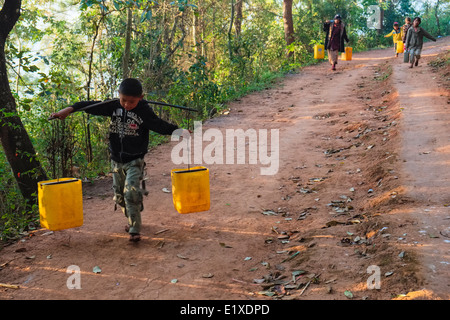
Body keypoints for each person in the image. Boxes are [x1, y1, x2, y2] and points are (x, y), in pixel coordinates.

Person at [51, 78, 180, 242]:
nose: (126, 104)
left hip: (135, 160)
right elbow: (89, 106)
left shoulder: (144, 110)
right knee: (120, 196)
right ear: (118, 95)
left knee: (131, 192)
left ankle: (134, 229)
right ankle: (133, 212)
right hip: (116, 161)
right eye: (123, 100)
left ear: (140, 97)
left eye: (131, 101)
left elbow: (159, 125)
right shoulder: (113, 105)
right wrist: (69, 110)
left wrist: (178, 131)